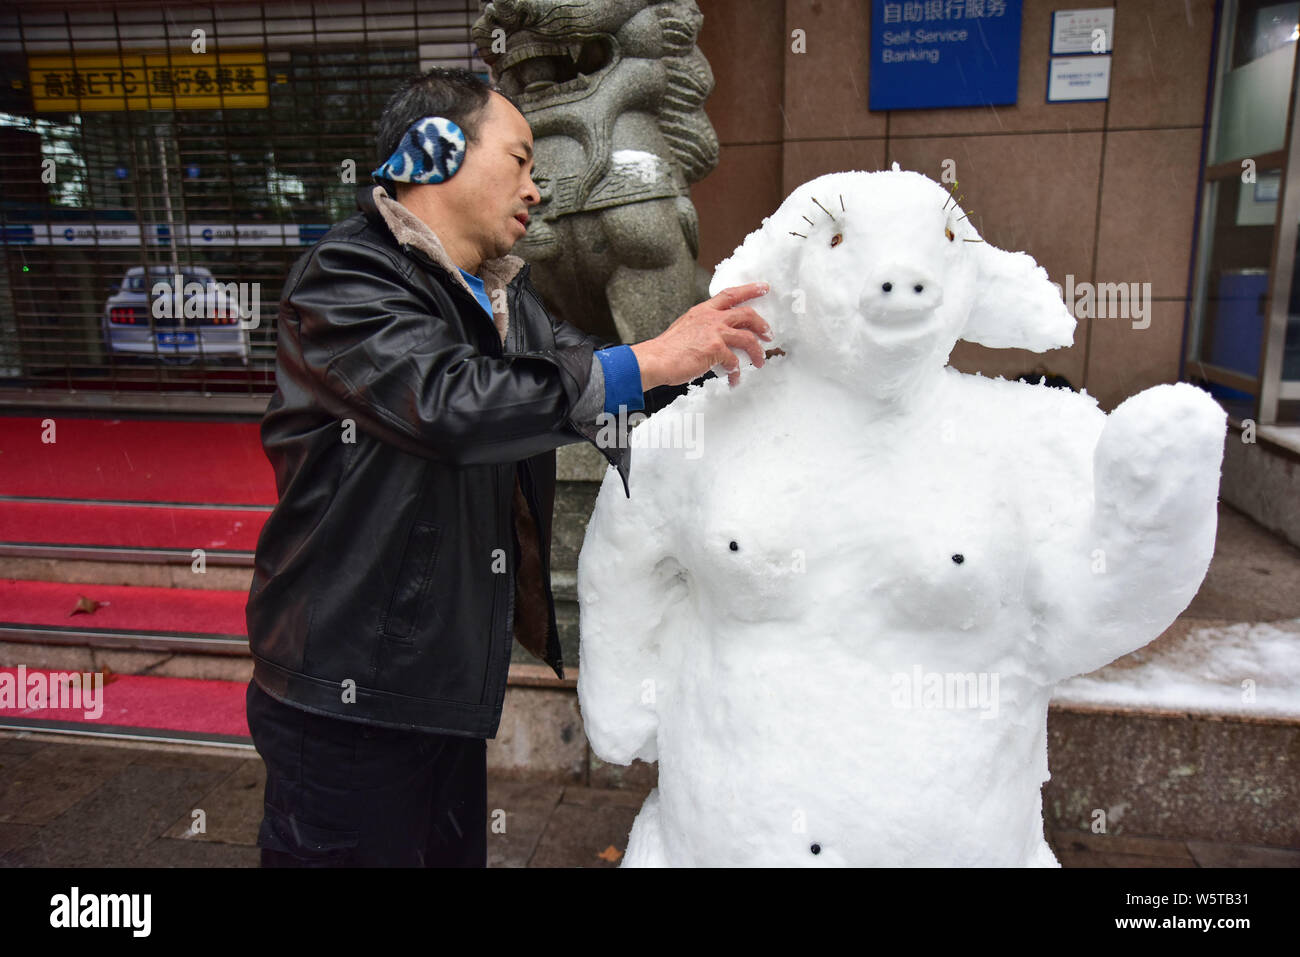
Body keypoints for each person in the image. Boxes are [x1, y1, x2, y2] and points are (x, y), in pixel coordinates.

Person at [244, 67, 770, 867]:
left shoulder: (504, 298)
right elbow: (450, 403)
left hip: (444, 687)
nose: (539, 185)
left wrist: (744, 374)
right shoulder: (347, 279)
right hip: (347, 692)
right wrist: (656, 357)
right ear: (432, 151)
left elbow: (596, 386)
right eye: (521, 159)